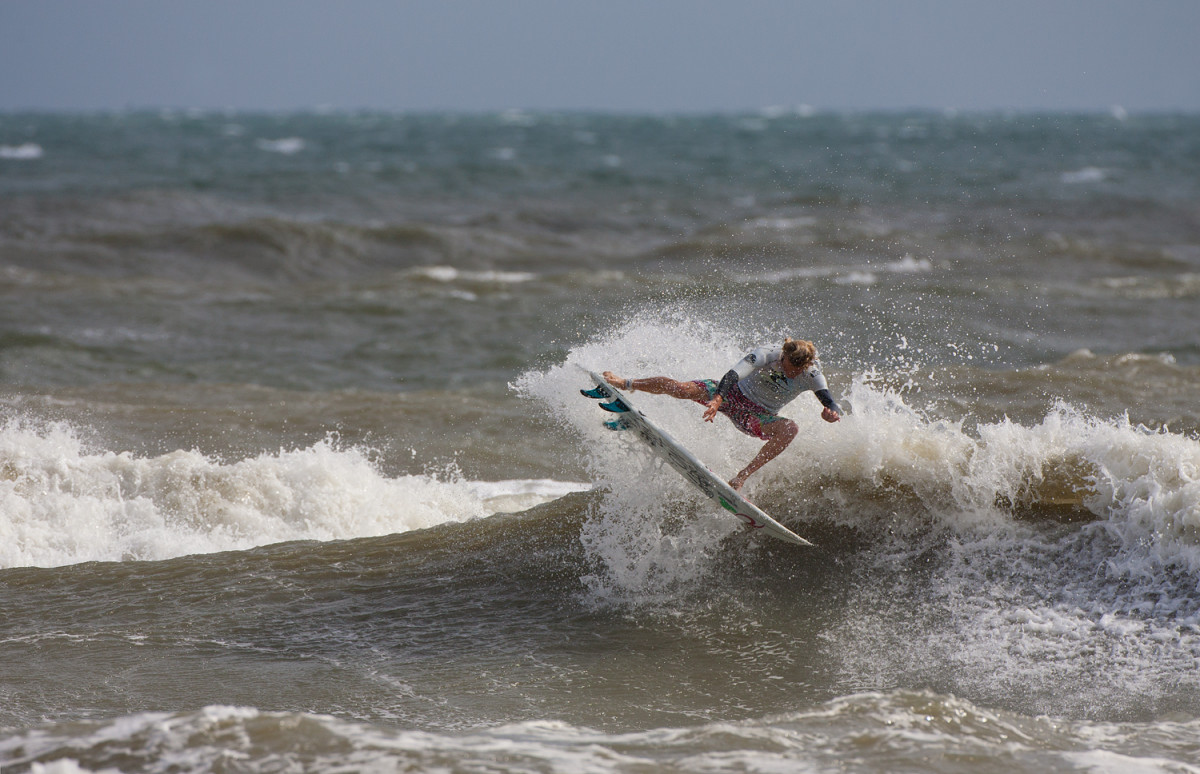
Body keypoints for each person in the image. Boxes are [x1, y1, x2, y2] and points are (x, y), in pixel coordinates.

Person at [603, 338, 841, 491]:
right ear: (784, 355)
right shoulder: (768, 354)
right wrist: (717, 399)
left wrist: (831, 413)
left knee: (790, 428)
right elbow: (732, 376)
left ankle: (741, 477)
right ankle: (626, 382)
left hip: (757, 417)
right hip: (730, 393)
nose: (791, 372)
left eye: (797, 370)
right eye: (789, 366)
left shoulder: (812, 374)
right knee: (682, 388)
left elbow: (830, 402)